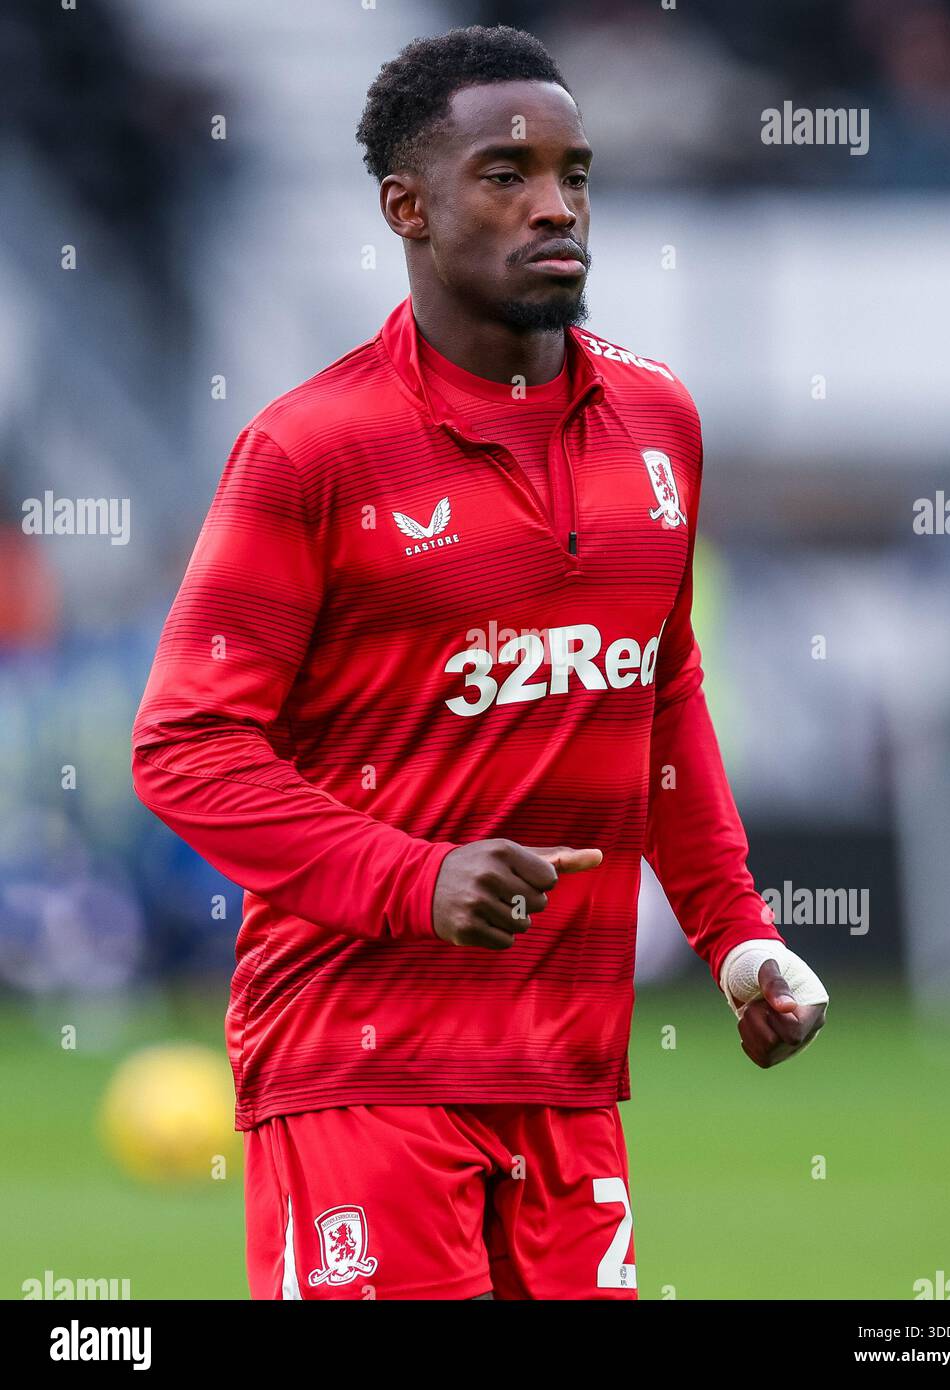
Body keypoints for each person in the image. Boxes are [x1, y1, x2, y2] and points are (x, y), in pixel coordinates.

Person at [132, 24, 828, 1302]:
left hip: (565, 1072)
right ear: (407, 206)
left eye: (573, 173)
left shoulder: (660, 422)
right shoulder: (312, 453)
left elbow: (659, 693)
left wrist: (733, 931)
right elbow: (185, 750)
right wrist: (414, 878)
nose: (555, 205)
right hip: (358, 1060)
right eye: (504, 175)